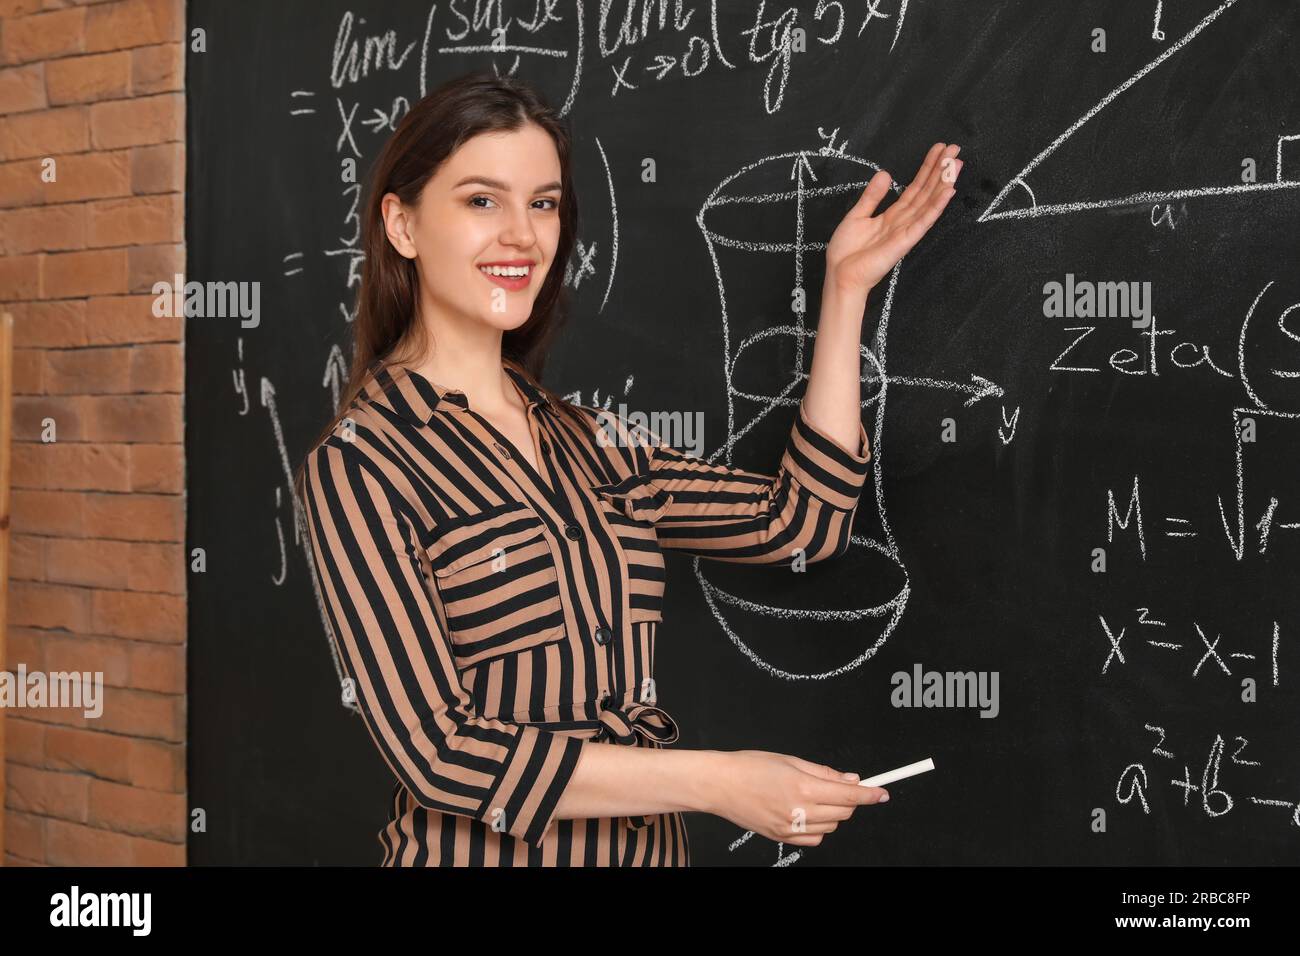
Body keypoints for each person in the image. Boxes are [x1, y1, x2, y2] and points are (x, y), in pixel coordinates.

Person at [294, 71, 961, 866]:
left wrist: (846, 289)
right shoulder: (363, 463)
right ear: (401, 225)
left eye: (542, 203)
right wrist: (717, 782)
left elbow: (801, 525)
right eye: (482, 200)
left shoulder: (595, 445)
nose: (521, 235)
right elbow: (441, 754)